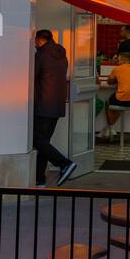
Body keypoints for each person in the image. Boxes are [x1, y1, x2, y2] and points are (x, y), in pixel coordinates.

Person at [33, 30, 77, 187]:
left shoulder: (41, 56)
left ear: (40, 40)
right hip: (56, 104)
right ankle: (39, 179)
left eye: (35, 40)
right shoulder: (61, 55)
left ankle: (64, 163)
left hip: (43, 104)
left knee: (37, 140)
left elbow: (32, 77)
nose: (34, 43)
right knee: (44, 142)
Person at [101, 50, 130, 139]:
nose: (118, 62)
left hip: (122, 100)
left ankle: (110, 128)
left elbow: (109, 82)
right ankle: (110, 128)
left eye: (119, 60)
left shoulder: (117, 69)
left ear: (122, 60)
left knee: (109, 103)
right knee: (118, 102)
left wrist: (115, 78)